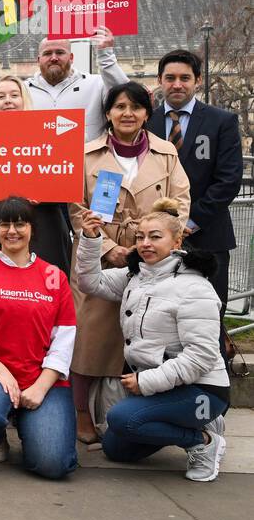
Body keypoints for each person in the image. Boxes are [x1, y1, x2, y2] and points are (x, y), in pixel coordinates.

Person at [69, 81, 190, 444]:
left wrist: (153, 243)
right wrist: (107, 247)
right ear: (107, 113)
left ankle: (135, 415)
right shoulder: (87, 154)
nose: (127, 113)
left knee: (147, 334)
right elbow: (75, 208)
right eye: (119, 106)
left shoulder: (166, 153)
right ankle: (80, 417)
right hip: (99, 256)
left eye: (135, 107)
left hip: (152, 257)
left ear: (146, 114)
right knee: (89, 339)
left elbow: (180, 204)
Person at [76, 200, 229, 481]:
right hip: (163, 388)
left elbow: (201, 357)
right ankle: (188, 424)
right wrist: (91, 238)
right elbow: (90, 282)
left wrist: (146, 382)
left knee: (122, 419)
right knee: (115, 448)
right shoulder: (136, 275)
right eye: (140, 237)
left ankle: (202, 441)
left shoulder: (195, 287)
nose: (145, 243)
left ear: (177, 240)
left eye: (155, 237)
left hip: (202, 391)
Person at [0, 196, 78, 479]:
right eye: (4, 224)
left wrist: (42, 387)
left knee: (53, 465)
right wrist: (2, 372)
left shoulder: (54, 276)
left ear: (32, 229)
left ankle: (27, 418)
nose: (12, 231)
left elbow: (65, 338)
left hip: (42, 379)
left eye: (20, 224)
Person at [148, 48, 243, 355]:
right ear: (159, 81)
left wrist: (187, 222)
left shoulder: (222, 121)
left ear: (198, 81)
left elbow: (228, 180)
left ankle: (213, 396)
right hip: (153, 243)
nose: (177, 84)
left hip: (207, 238)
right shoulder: (143, 121)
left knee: (207, 321)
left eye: (185, 78)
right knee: (157, 322)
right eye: (170, 78)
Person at [0, 76, 73, 273]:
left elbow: (64, 180)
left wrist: (46, 195)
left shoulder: (47, 134)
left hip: (41, 229)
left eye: (14, 95)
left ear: (24, 100)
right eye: (1, 96)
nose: (8, 100)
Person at [24, 27, 127, 142]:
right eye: (47, 53)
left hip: (88, 159)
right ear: (38, 60)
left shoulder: (96, 84)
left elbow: (128, 97)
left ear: (71, 57)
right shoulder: (22, 91)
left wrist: (106, 55)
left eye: (60, 52)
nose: (54, 58)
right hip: (39, 157)